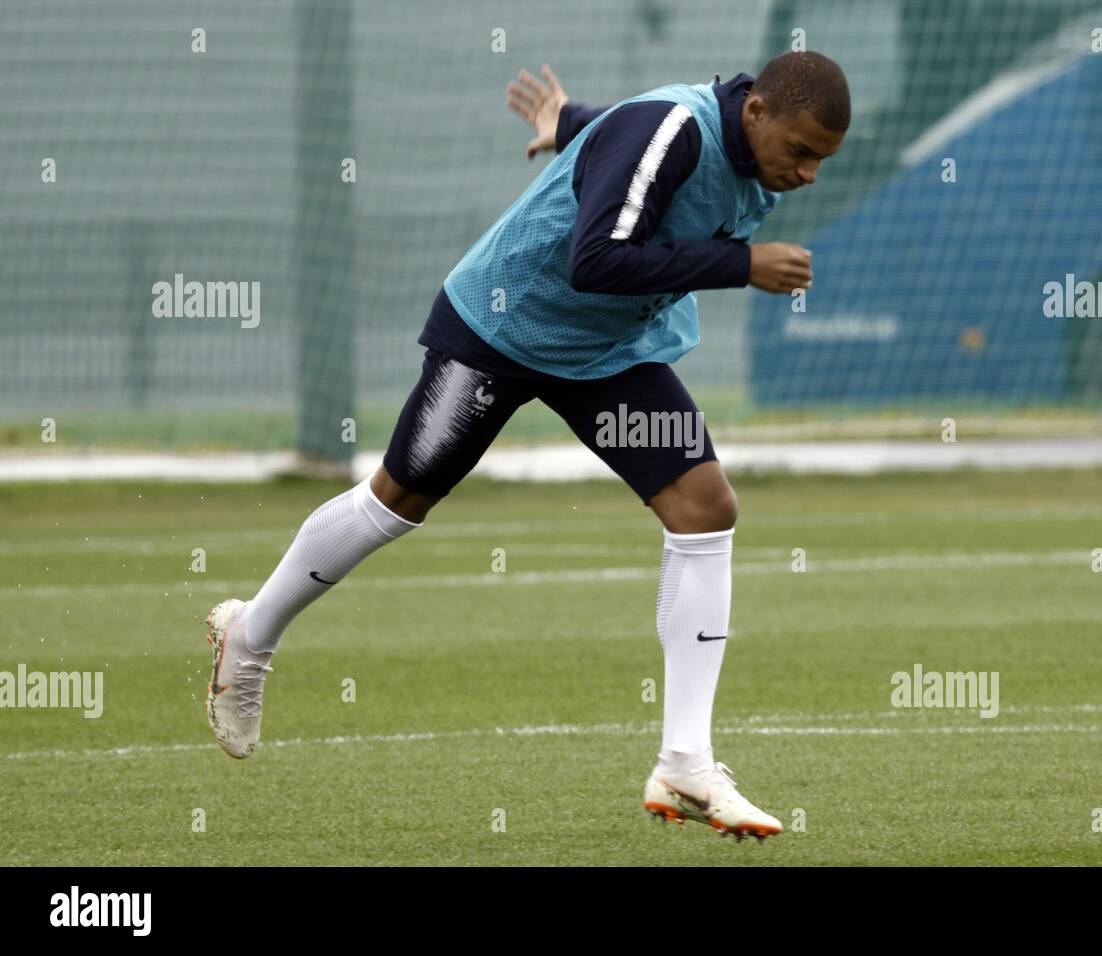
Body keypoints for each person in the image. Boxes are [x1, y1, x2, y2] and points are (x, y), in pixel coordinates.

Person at [205, 51, 850, 841]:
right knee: (398, 500)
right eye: (802, 151)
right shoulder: (677, 126)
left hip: (607, 354)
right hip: (501, 330)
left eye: (822, 159)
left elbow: (624, 144)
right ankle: (250, 635)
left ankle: (685, 759)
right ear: (755, 112)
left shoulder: (735, 145)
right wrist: (740, 264)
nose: (809, 173)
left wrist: (570, 122)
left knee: (705, 507)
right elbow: (598, 257)